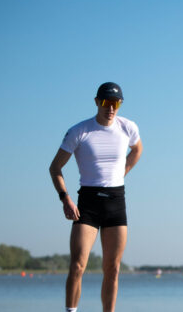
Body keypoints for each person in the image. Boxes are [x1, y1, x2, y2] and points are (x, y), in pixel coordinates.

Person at [49, 82, 143, 312]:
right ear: (96, 102)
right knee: (78, 265)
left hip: (116, 202)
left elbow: (138, 150)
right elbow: (55, 168)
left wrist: (123, 172)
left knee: (112, 268)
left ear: (119, 104)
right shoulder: (79, 131)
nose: (110, 108)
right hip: (88, 204)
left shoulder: (127, 127)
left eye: (115, 103)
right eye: (105, 102)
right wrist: (65, 199)